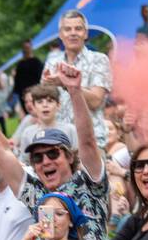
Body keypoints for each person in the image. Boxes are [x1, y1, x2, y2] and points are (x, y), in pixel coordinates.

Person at [0, 64, 109, 240]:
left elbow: (87, 142)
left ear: (69, 156)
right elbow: (0, 152)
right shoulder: (35, 193)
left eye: (53, 153)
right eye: (37, 157)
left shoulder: (89, 184)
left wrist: (74, 90)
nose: (45, 161)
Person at [45, 9, 113, 147]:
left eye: (78, 29)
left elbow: (96, 101)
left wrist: (67, 85)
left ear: (86, 34)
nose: (73, 33)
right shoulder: (52, 62)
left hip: (91, 141)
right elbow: (42, 100)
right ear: (61, 35)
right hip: (58, 141)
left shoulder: (99, 59)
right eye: (68, 29)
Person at [13, 83, 76, 158]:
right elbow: (25, 161)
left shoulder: (70, 130)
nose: (45, 105)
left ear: (58, 105)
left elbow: (77, 158)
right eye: (40, 102)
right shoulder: (27, 133)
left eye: (50, 101)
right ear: (34, 106)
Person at [11, 40, 44, 116]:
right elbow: (17, 79)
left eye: (28, 47)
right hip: (23, 93)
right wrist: (14, 92)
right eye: (25, 48)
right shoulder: (20, 64)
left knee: (36, 112)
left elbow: (41, 77)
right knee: (27, 113)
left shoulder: (36, 62)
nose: (26, 49)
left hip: (35, 92)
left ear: (31, 48)